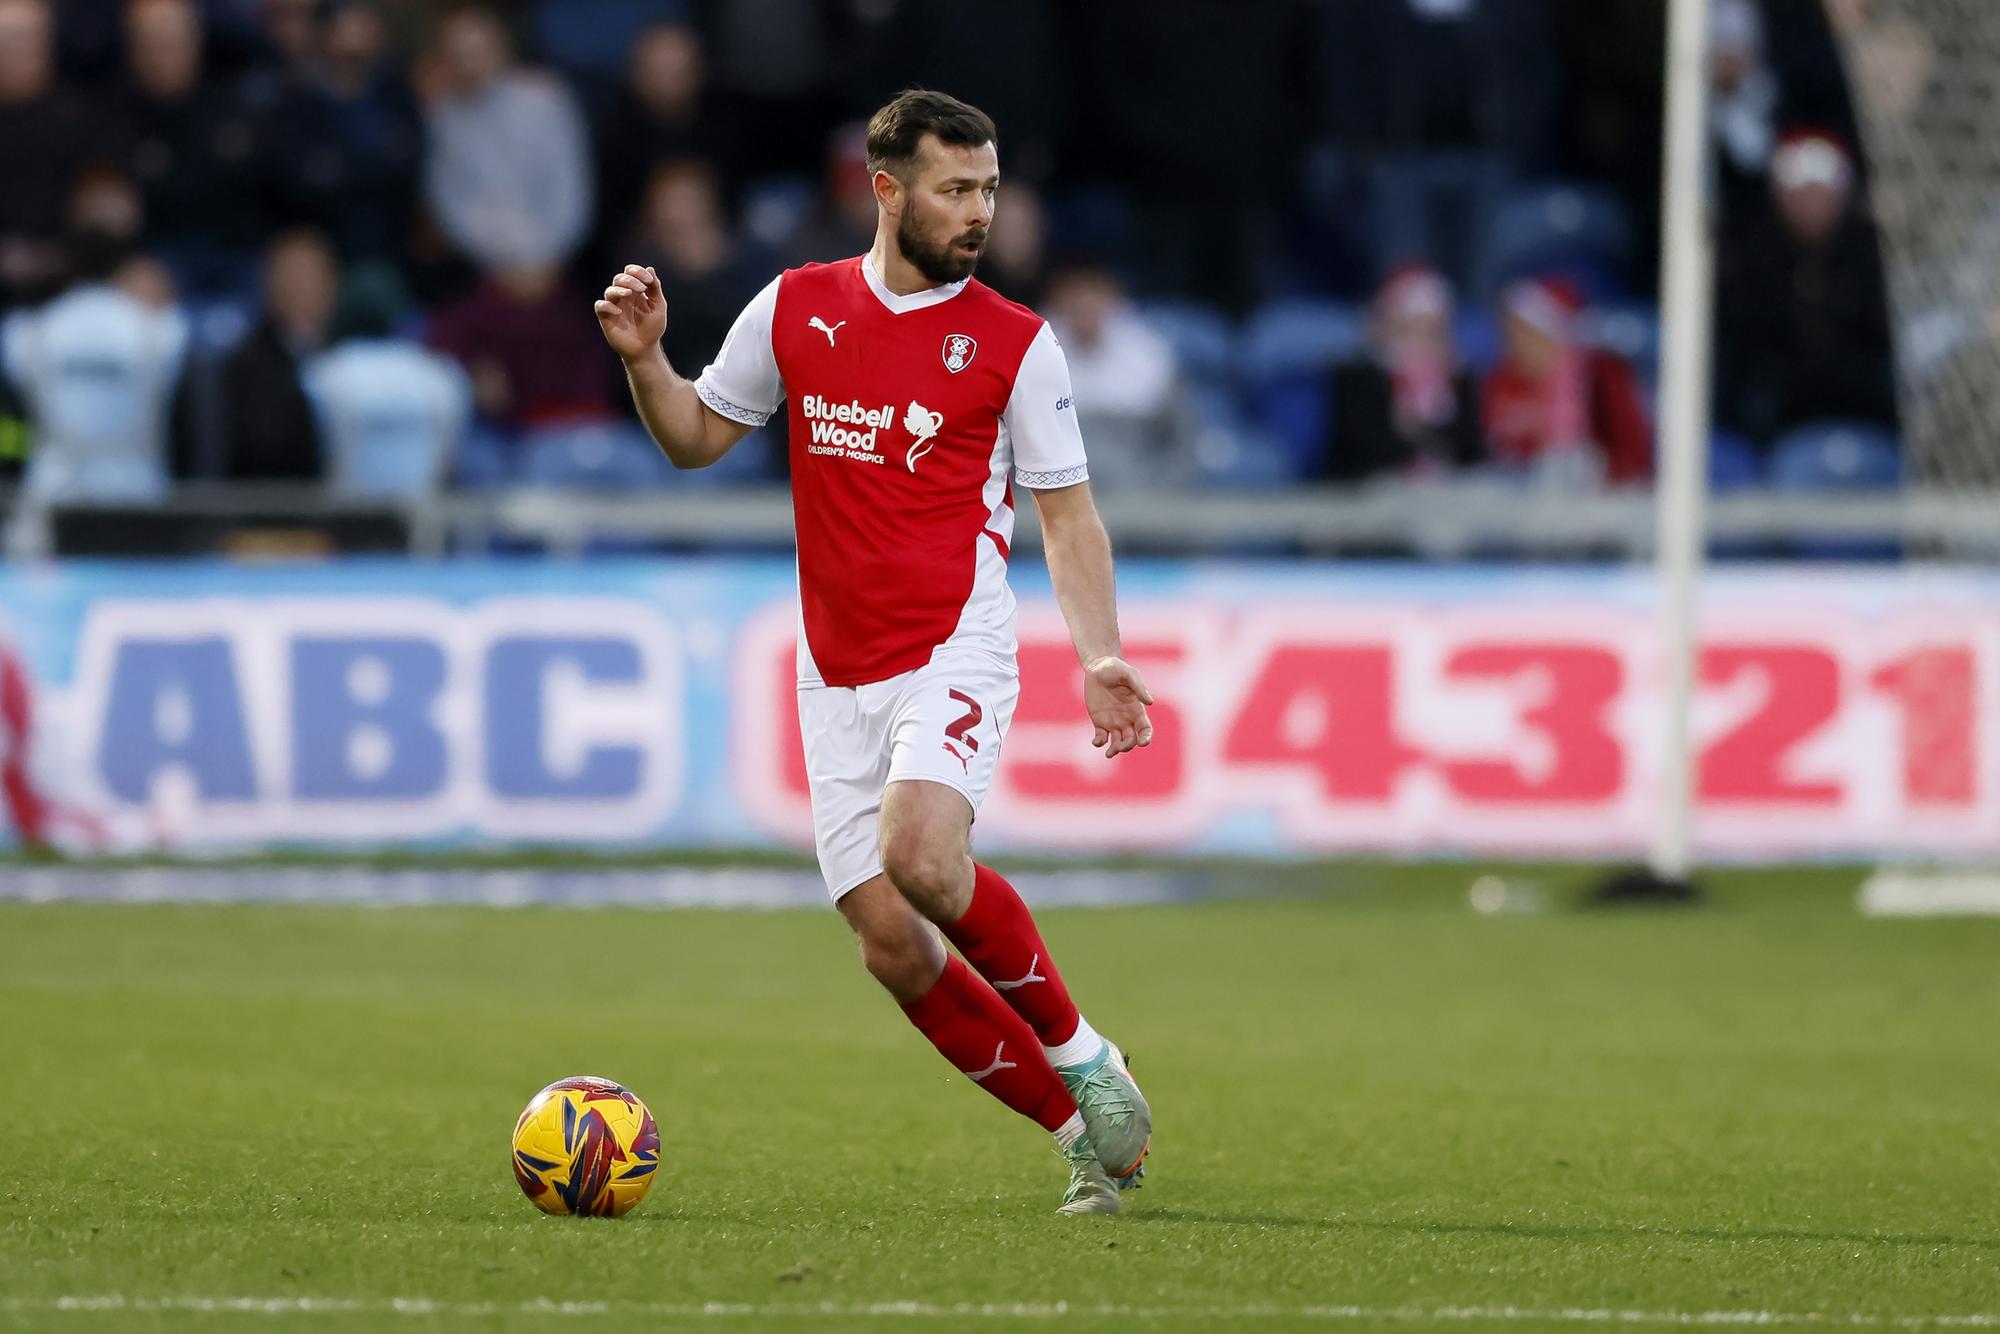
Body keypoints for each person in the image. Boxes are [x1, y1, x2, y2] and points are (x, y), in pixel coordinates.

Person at [594, 90, 1152, 1215]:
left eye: (988, 188)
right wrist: (647, 364)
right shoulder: (797, 308)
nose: (979, 211)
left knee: (922, 857)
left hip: (954, 640)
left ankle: (1088, 1055)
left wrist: (1097, 654)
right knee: (893, 943)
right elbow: (698, 436)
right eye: (955, 189)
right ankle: (1085, 1135)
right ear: (885, 189)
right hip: (833, 666)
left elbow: (1066, 513)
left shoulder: (1013, 342)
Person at [1715, 129, 1897, 445]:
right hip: (1776, 418)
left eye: (1822, 193)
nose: (1812, 206)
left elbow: (1878, 338)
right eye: (1801, 194)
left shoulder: (1871, 255)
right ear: (1780, 198)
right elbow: (1748, 346)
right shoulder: (1753, 259)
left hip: (1864, 408)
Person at [421, 4, 593, 273]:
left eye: (477, 51)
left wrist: (542, 259)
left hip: (555, 265)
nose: (470, 64)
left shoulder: (548, 100)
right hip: (478, 269)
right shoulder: (443, 117)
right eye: (459, 55)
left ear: (500, 45)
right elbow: (449, 202)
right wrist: (500, 263)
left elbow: (571, 193)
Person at [1480, 275, 1651, 485]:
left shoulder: (1600, 380)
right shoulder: (1501, 380)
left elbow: (1634, 456)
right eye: (1511, 334)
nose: (1516, 345)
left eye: (1526, 333)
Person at [1325, 265, 1484, 481]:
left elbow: (1471, 455)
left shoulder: (1459, 381)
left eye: (1432, 331)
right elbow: (1361, 454)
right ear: (1384, 327)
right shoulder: (1357, 380)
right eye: (1410, 329)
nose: (1420, 343)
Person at [1040, 263, 1187, 492]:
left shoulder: (1148, 356)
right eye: (1076, 300)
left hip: (1138, 489)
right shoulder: (1035, 353)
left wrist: (1159, 493)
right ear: (1060, 302)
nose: (1085, 307)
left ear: (1112, 301)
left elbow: (1181, 443)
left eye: (1094, 297)